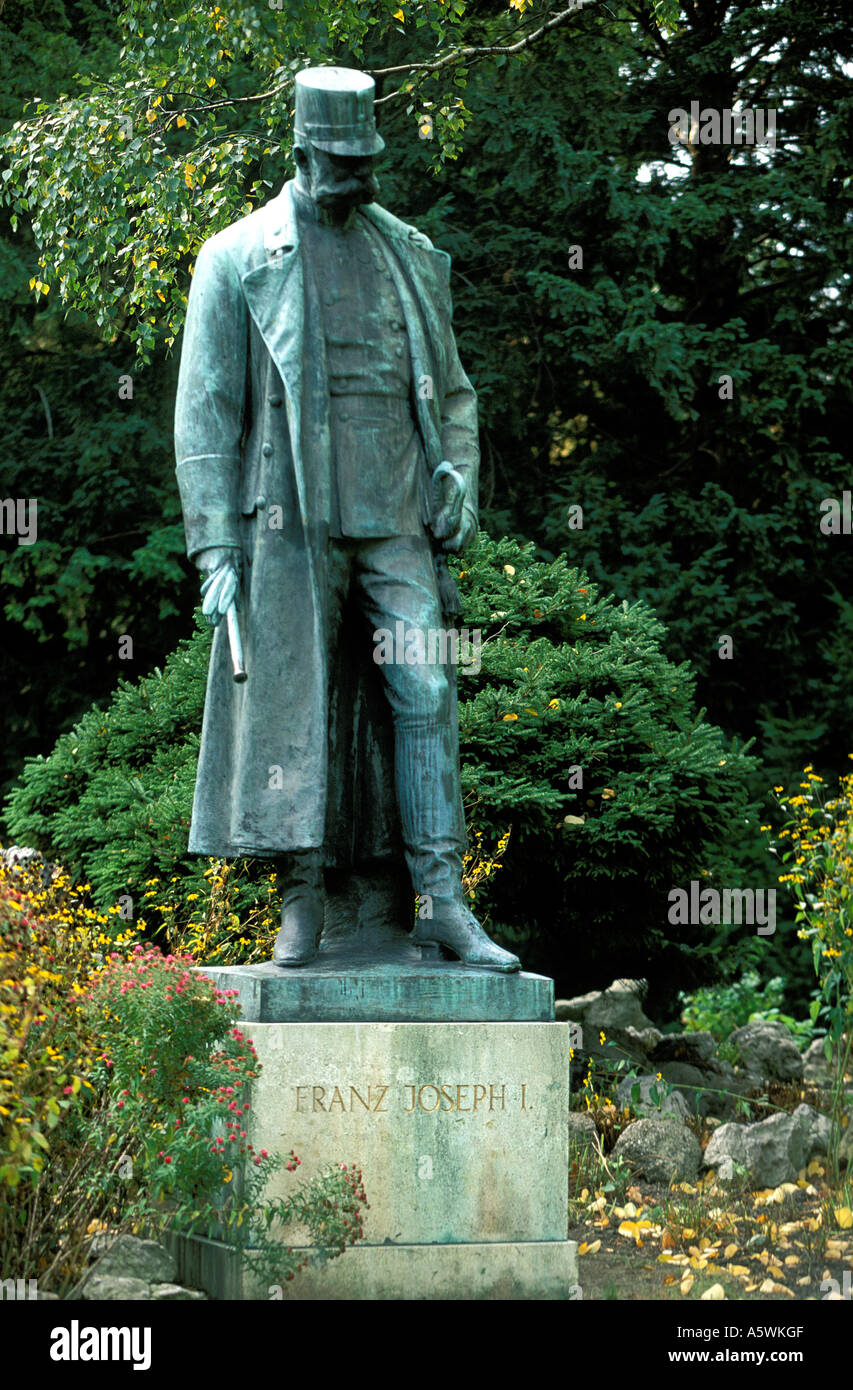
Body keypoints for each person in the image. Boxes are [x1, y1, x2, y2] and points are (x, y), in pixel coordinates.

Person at [174, 66, 520, 974]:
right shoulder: (237, 255)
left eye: (365, 159)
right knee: (298, 711)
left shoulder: (409, 252)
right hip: (288, 524)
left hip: (398, 515)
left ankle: (443, 903)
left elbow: (451, 393)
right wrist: (214, 543)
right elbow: (206, 413)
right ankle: (301, 902)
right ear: (300, 150)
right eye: (339, 159)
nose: (356, 175)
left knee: (429, 694)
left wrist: (459, 479)